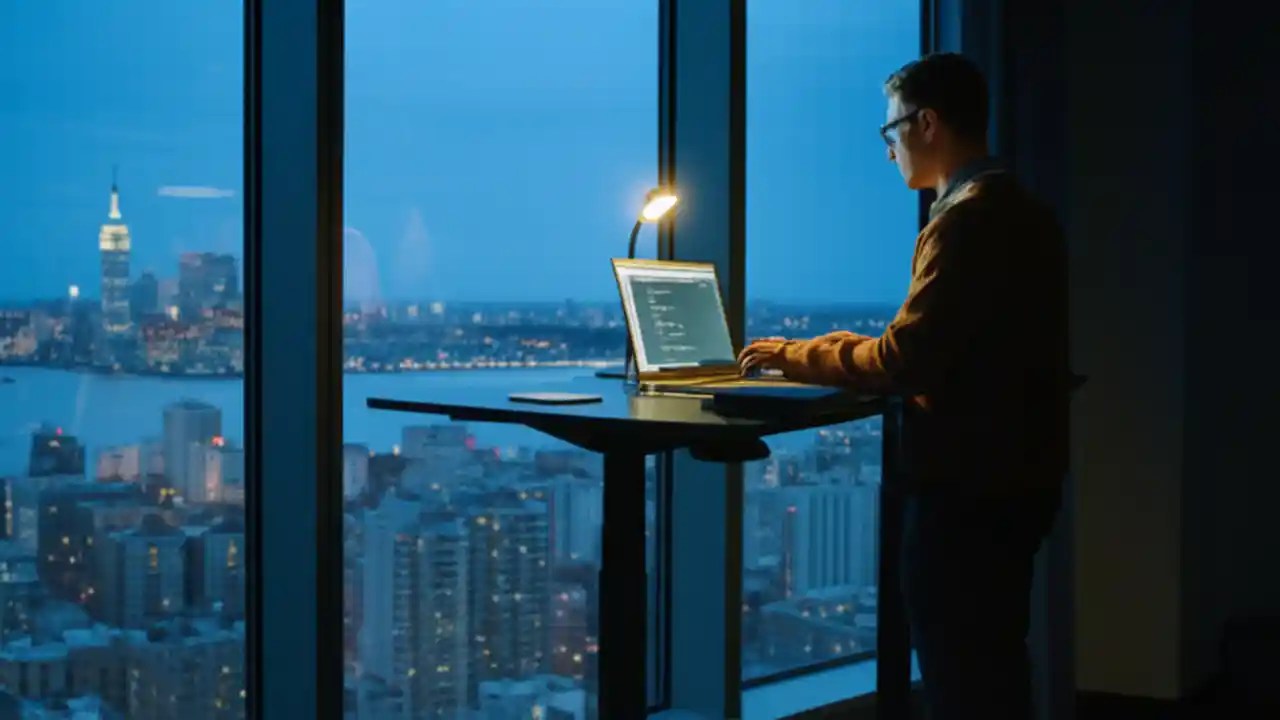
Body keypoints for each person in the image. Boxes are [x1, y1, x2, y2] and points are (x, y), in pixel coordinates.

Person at [739, 53, 1068, 719]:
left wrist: (792, 356)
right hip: (1018, 477)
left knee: (962, 673)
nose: (888, 151)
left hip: (967, 488)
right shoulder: (1024, 209)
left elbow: (907, 356)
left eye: (890, 132)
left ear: (927, 123)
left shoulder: (967, 219)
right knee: (994, 664)